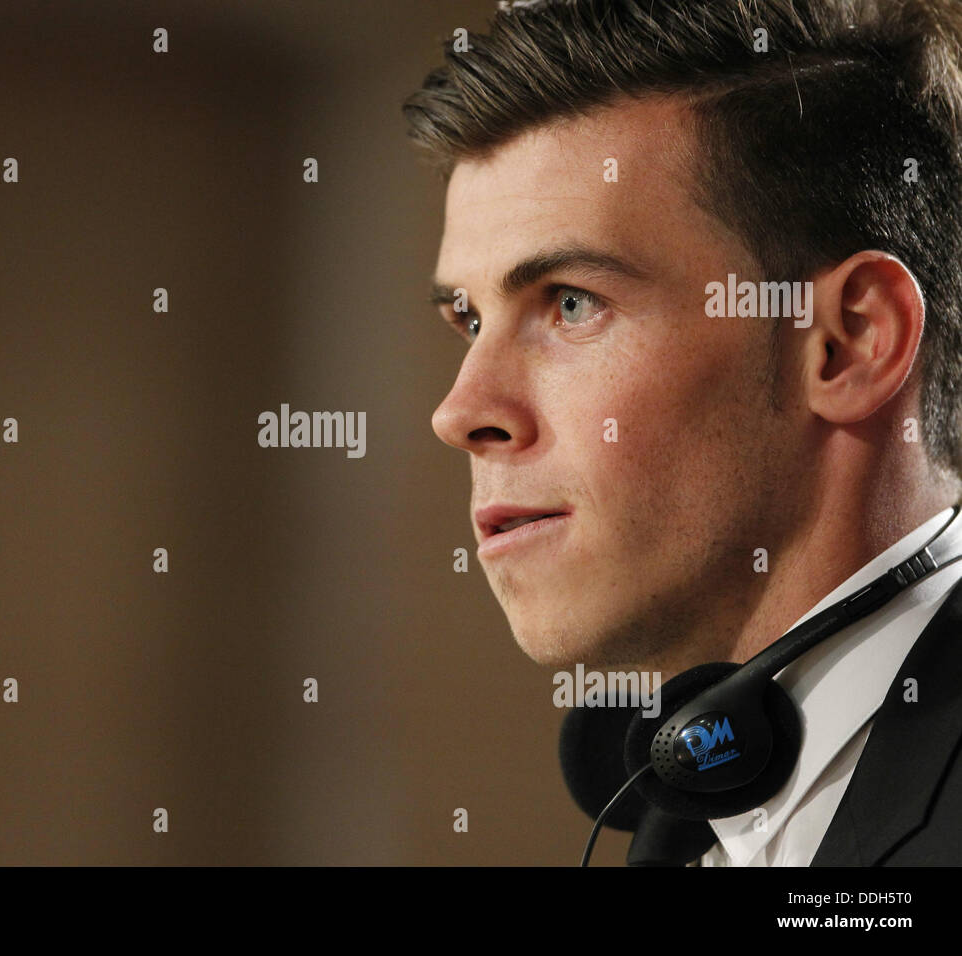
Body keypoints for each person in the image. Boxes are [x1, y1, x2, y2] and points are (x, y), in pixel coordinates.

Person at [403, 0, 962, 865]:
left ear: (848, 343)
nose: (460, 412)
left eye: (571, 304)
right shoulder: (688, 814)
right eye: (470, 320)